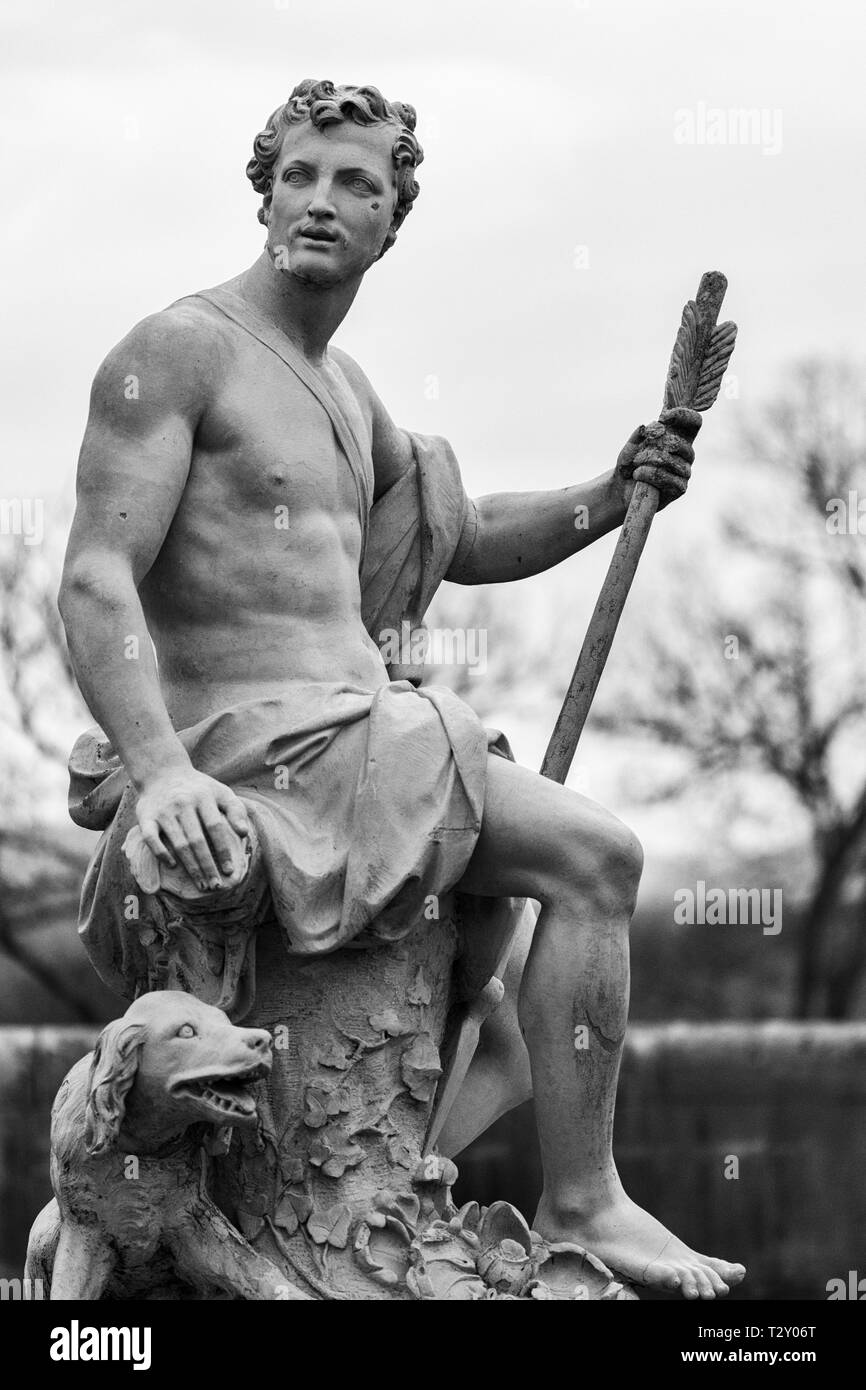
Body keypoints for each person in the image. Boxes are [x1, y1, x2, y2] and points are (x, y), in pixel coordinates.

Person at [59, 79, 744, 1298]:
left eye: (355, 185)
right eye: (299, 178)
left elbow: (463, 534)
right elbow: (97, 577)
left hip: (367, 738)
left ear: (391, 223)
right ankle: (583, 1194)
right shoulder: (180, 350)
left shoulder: (346, 389)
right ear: (263, 190)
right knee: (596, 853)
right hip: (261, 750)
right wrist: (160, 771)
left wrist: (610, 487)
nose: (320, 202)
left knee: (547, 914)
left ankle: (476, 1186)